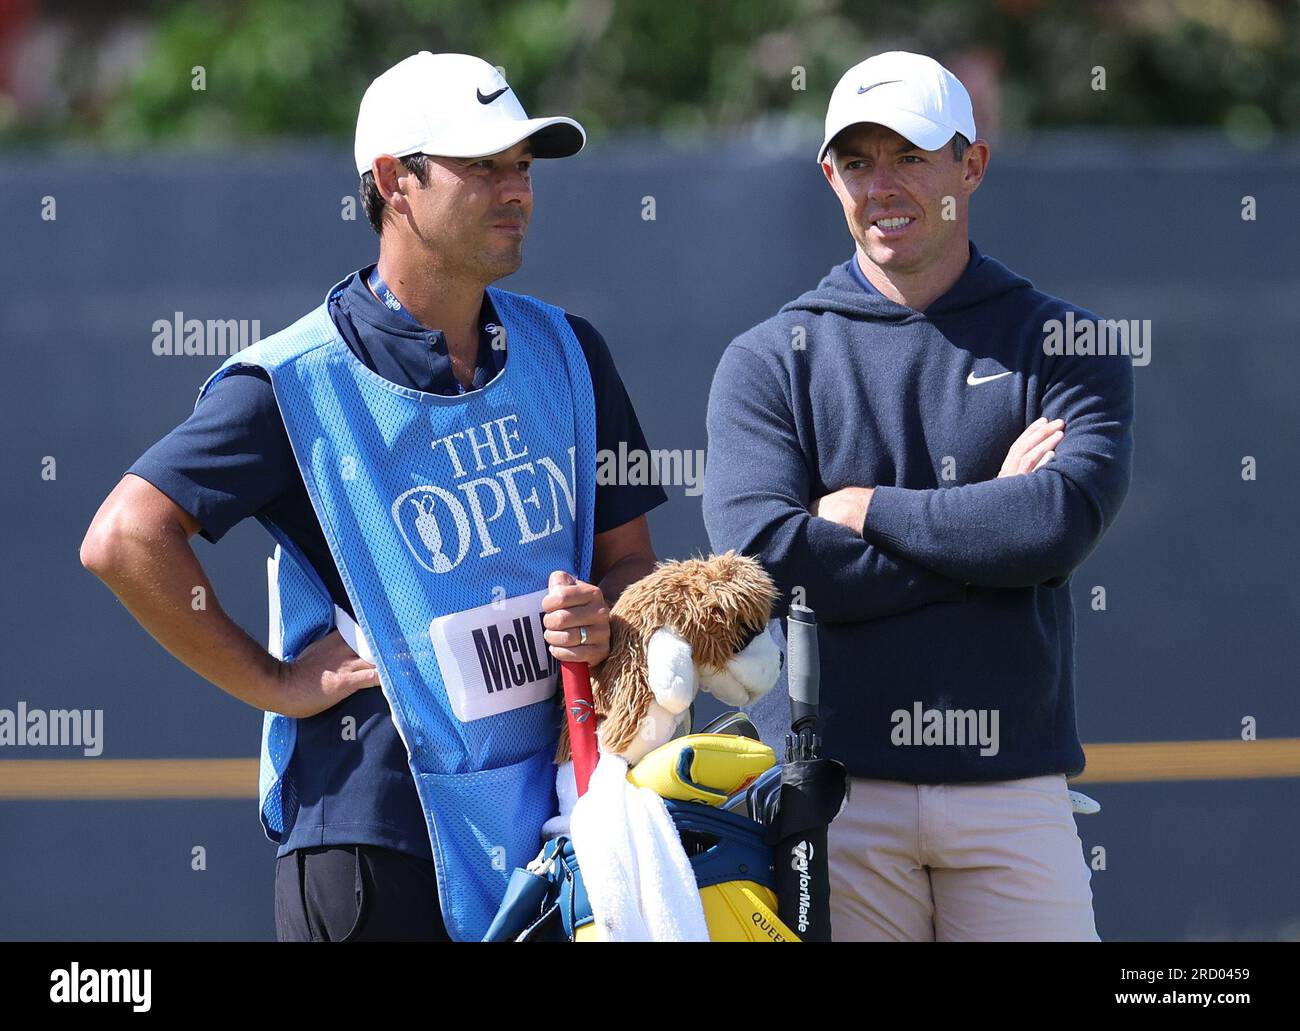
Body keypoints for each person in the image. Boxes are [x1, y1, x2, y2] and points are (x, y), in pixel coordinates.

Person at [80, 52, 666, 942]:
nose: (516, 190)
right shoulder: (292, 380)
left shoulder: (571, 352)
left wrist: (606, 615)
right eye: (482, 167)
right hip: (372, 833)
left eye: (523, 166)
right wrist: (274, 682)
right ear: (394, 181)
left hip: (556, 824)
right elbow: (124, 539)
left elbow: (628, 565)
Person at [703, 51, 1134, 941]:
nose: (882, 185)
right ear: (830, 177)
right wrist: (986, 535)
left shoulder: (1066, 342)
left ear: (970, 166)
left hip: (1014, 788)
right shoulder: (764, 360)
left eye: (909, 156)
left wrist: (863, 511)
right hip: (832, 798)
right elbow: (766, 565)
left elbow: (1054, 526)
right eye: (857, 162)